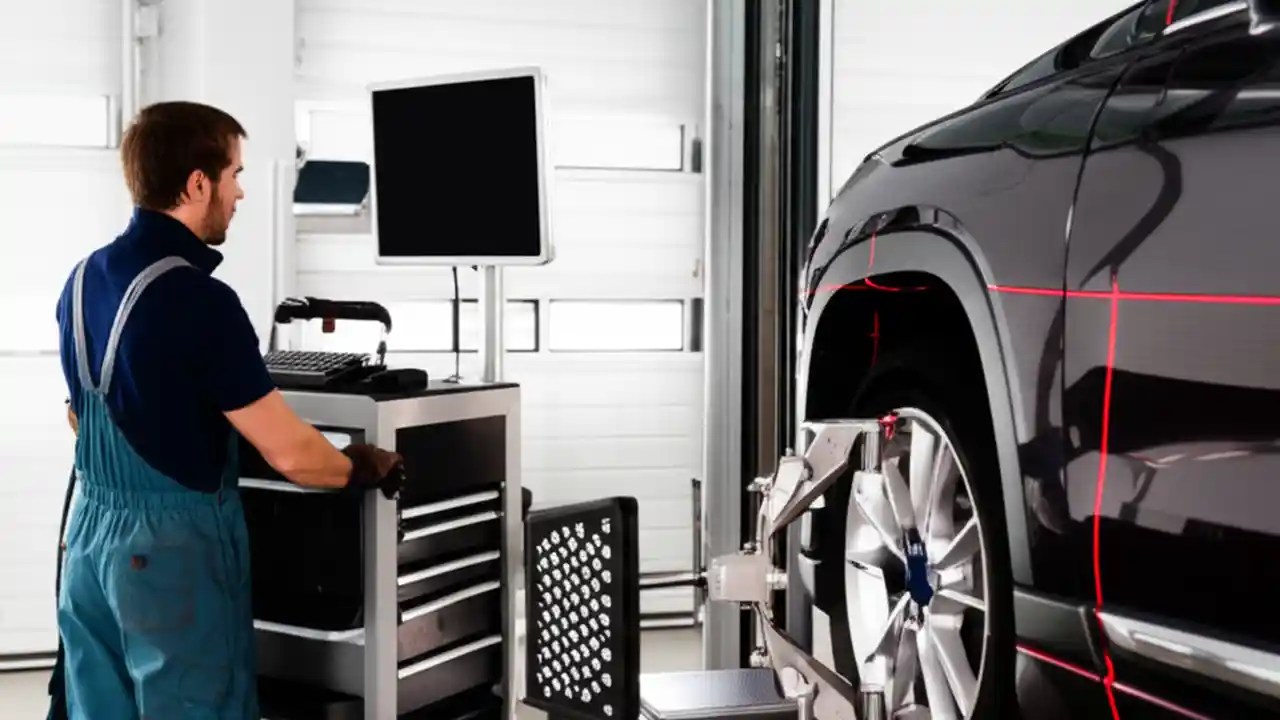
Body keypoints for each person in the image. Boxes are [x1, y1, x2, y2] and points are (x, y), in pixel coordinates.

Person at [52, 100, 403, 720]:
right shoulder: (200, 301)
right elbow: (293, 455)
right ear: (197, 184)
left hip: (86, 547)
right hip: (171, 559)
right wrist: (359, 466)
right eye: (235, 174)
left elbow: (82, 418)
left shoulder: (80, 279)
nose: (240, 193)